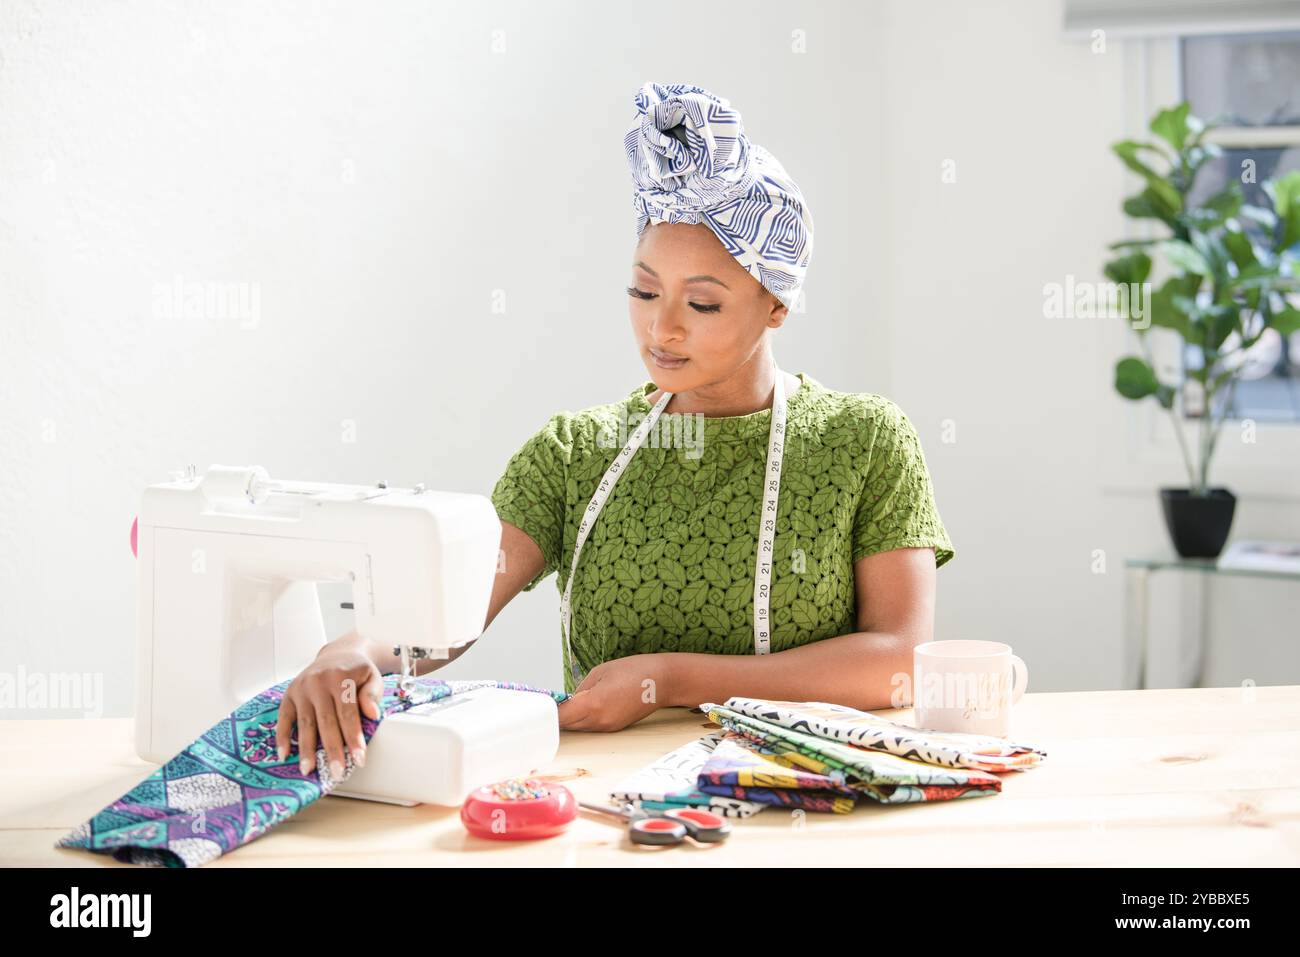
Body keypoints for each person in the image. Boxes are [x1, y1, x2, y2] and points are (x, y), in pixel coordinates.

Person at [277, 82, 954, 775]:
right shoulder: (573, 453)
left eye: (703, 302)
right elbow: (451, 606)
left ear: (776, 303)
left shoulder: (865, 440)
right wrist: (354, 648)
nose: (663, 328)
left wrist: (674, 678)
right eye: (644, 291)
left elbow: (899, 658)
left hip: (807, 796)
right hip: (609, 803)